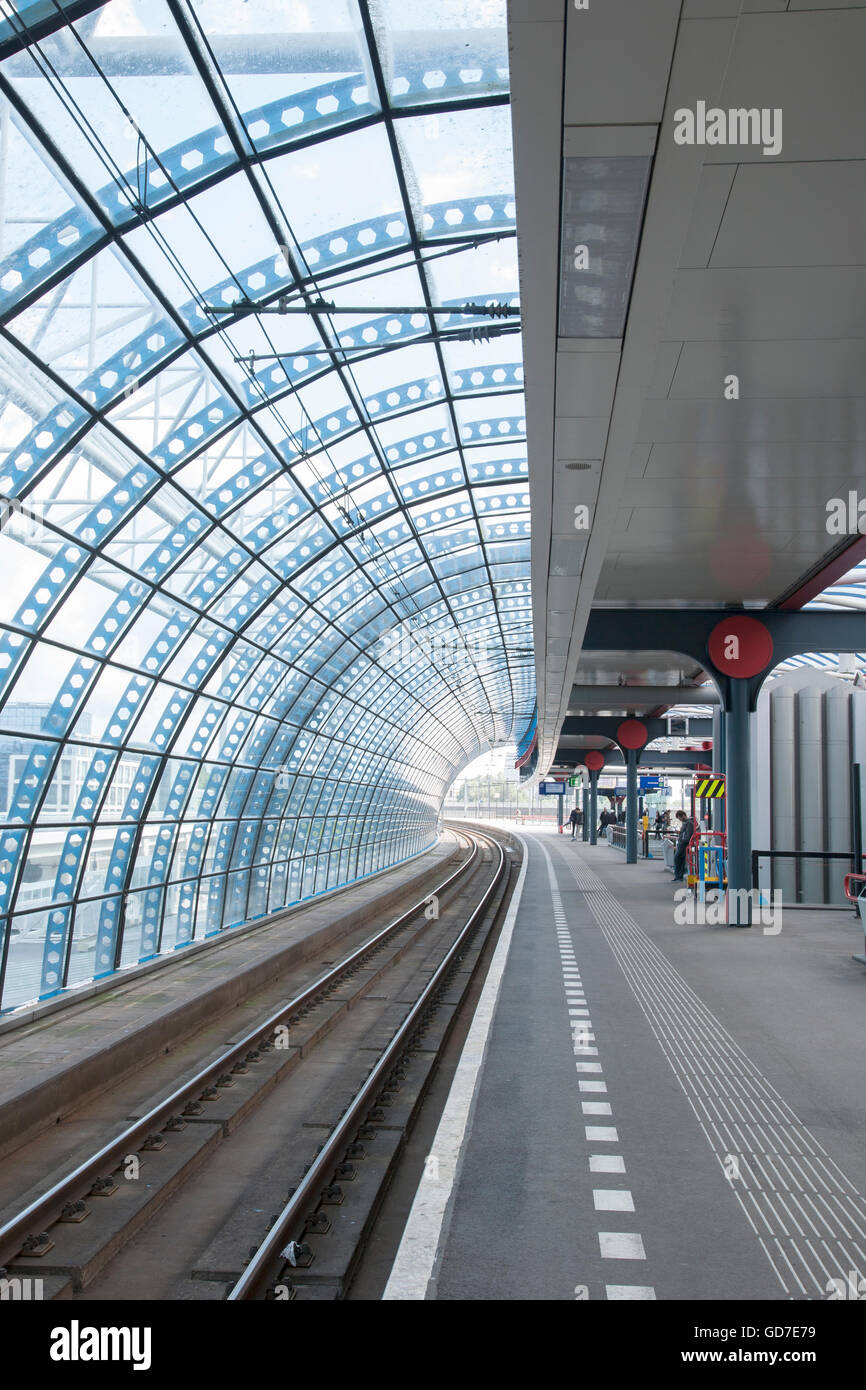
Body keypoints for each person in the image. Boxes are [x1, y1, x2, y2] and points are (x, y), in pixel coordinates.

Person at [672, 809, 695, 883]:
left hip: (684, 844)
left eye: (680, 818)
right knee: (680, 860)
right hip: (683, 843)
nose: (680, 820)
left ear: (683, 816)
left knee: (678, 859)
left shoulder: (688, 823)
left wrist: (682, 839)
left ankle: (678, 876)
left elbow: (688, 835)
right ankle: (678, 876)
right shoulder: (686, 823)